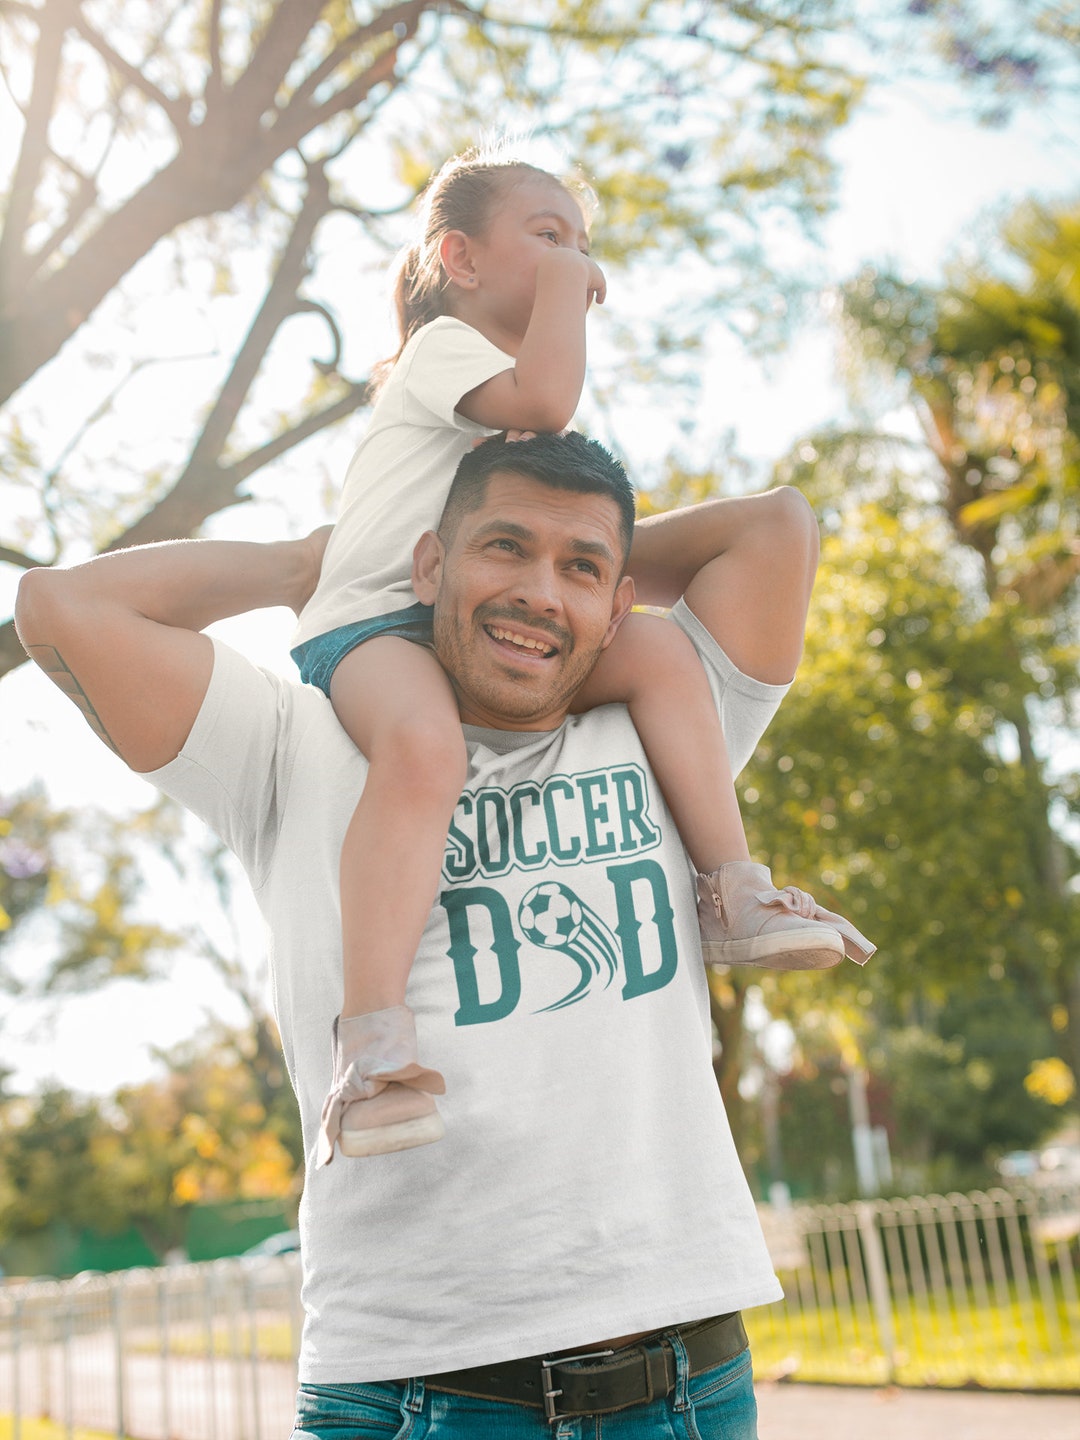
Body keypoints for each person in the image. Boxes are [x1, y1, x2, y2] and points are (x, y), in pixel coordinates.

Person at [16, 429, 871, 1438]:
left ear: (617, 607)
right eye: (501, 547)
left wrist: (579, 562)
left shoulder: (668, 719)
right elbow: (60, 607)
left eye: (581, 570)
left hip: (685, 1383)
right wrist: (317, 566)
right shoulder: (296, 738)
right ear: (429, 564)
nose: (538, 593)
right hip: (417, 1393)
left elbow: (775, 528)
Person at [291, 151, 873, 1160]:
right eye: (548, 236)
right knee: (423, 748)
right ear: (457, 256)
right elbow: (548, 403)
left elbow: (560, 490)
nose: (575, 260)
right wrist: (569, 288)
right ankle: (374, 1047)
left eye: (582, 244)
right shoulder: (443, 351)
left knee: (649, 650)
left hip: (460, 622)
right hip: (372, 628)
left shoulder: (503, 407)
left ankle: (734, 889)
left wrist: (597, 577)